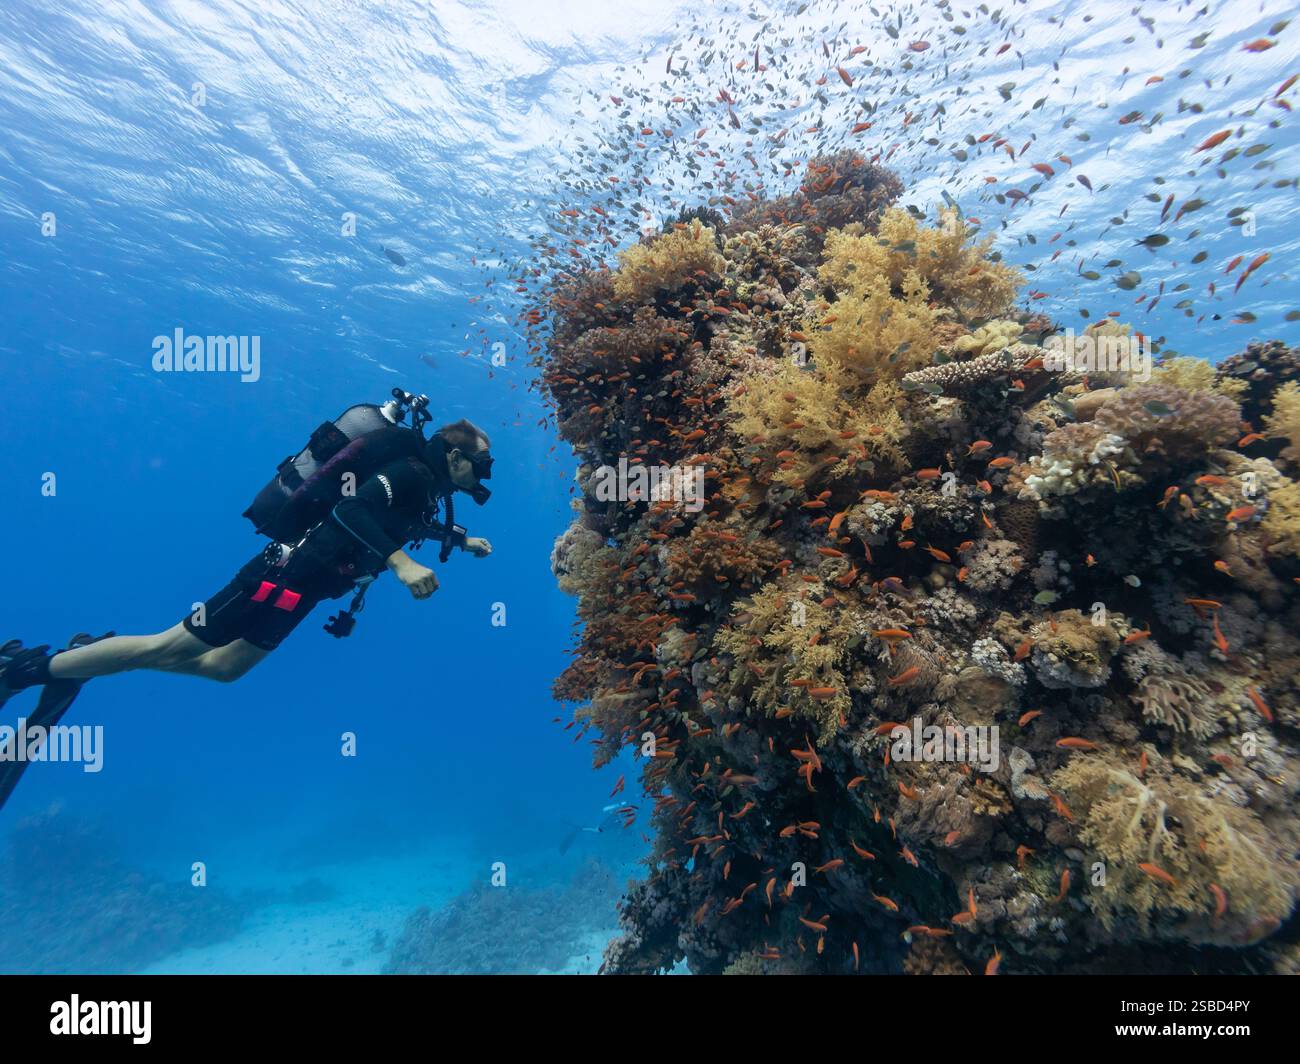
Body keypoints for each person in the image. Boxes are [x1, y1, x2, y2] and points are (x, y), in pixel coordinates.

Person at [1, 414, 494, 692]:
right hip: (282, 574)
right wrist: (401, 563)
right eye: (482, 465)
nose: (484, 475)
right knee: (163, 647)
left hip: (309, 588)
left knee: (224, 669)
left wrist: (457, 540)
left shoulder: (426, 487)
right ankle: (30, 670)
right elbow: (350, 510)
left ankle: (95, 656)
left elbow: (402, 522)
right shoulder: (409, 472)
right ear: (454, 456)